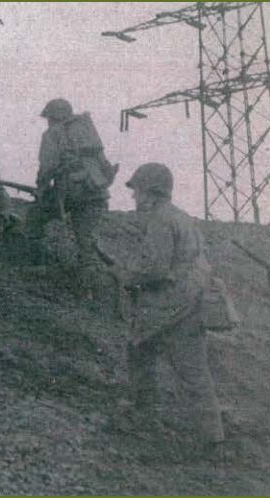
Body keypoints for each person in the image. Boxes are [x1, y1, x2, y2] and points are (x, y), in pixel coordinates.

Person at [116, 162, 227, 459]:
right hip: (188, 303)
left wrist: (126, 276)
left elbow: (154, 268)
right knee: (193, 372)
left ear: (150, 193)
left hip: (166, 308)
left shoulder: (160, 220)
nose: (133, 197)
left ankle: (143, 414)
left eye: (136, 191)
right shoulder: (182, 218)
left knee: (140, 352)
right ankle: (213, 438)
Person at [24, 98, 117, 273]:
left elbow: (47, 166)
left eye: (48, 117)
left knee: (34, 218)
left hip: (71, 191)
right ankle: (90, 282)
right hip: (97, 192)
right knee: (85, 239)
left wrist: (41, 189)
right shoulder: (87, 131)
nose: (48, 121)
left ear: (52, 116)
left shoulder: (52, 133)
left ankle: (37, 267)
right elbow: (104, 164)